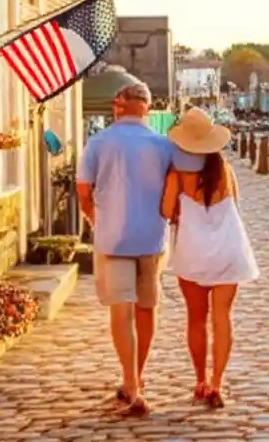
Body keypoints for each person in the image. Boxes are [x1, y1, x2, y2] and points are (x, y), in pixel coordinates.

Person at [76, 77, 174, 416]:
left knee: (122, 310)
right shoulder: (163, 145)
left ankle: (131, 381)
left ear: (119, 105)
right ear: (146, 107)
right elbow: (173, 193)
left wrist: (93, 219)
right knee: (146, 308)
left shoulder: (99, 142)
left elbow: (84, 190)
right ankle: (138, 376)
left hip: (113, 236)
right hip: (151, 237)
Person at [161, 107, 259, 409]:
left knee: (196, 318)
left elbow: (166, 211)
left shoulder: (178, 174)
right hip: (229, 249)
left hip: (192, 251)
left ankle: (201, 379)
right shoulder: (224, 170)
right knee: (222, 318)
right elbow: (236, 205)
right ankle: (218, 383)